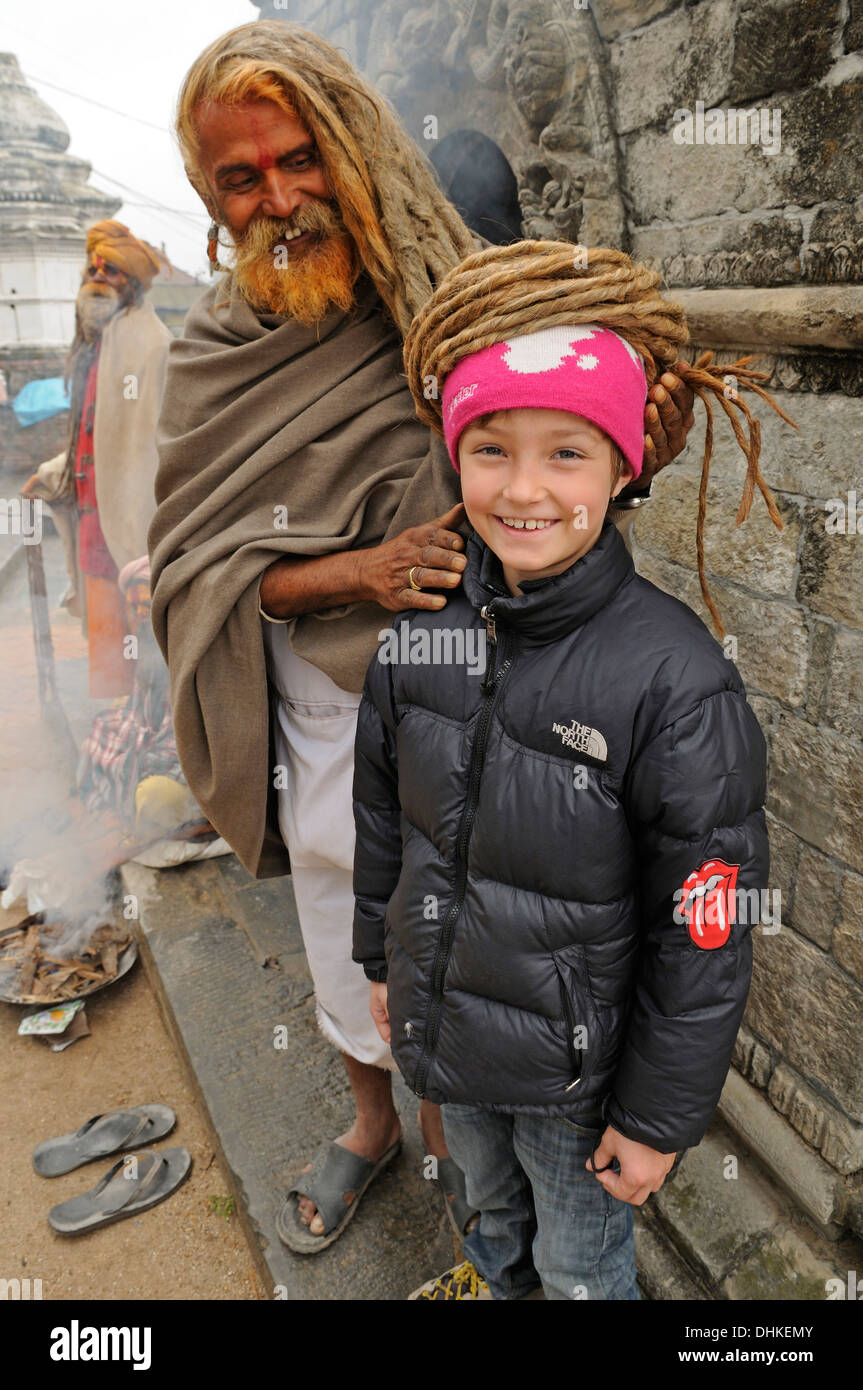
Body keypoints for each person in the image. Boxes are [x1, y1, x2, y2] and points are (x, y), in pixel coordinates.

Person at [149, 20, 697, 1252]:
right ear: (210, 191)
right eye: (243, 177)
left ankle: (465, 1157)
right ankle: (369, 1126)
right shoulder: (210, 352)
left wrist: (631, 462)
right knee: (345, 924)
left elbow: (534, 478)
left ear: (349, 146)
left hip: (467, 692)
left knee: (452, 937)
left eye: (300, 158)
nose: (280, 197)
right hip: (319, 703)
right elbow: (200, 570)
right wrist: (357, 568)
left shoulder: (454, 300)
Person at [352, 240, 791, 1299]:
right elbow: (382, 816)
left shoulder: (672, 679)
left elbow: (705, 919)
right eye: (491, 448)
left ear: (621, 467)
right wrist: (378, 956)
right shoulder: (420, 635)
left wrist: (653, 1118)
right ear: (455, 454)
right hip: (445, 1025)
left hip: (572, 1081)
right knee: (485, 1211)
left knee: (580, 1264)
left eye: (565, 454)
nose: (522, 490)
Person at [22, 221, 170, 697]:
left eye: (113, 271)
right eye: (94, 269)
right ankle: (111, 744)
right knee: (107, 661)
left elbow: (152, 447)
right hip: (92, 526)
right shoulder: (93, 344)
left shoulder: (153, 345)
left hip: (132, 532)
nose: (100, 279)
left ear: (134, 282)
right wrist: (52, 474)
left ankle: (147, 752)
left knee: (149, 662)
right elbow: (92, 441)